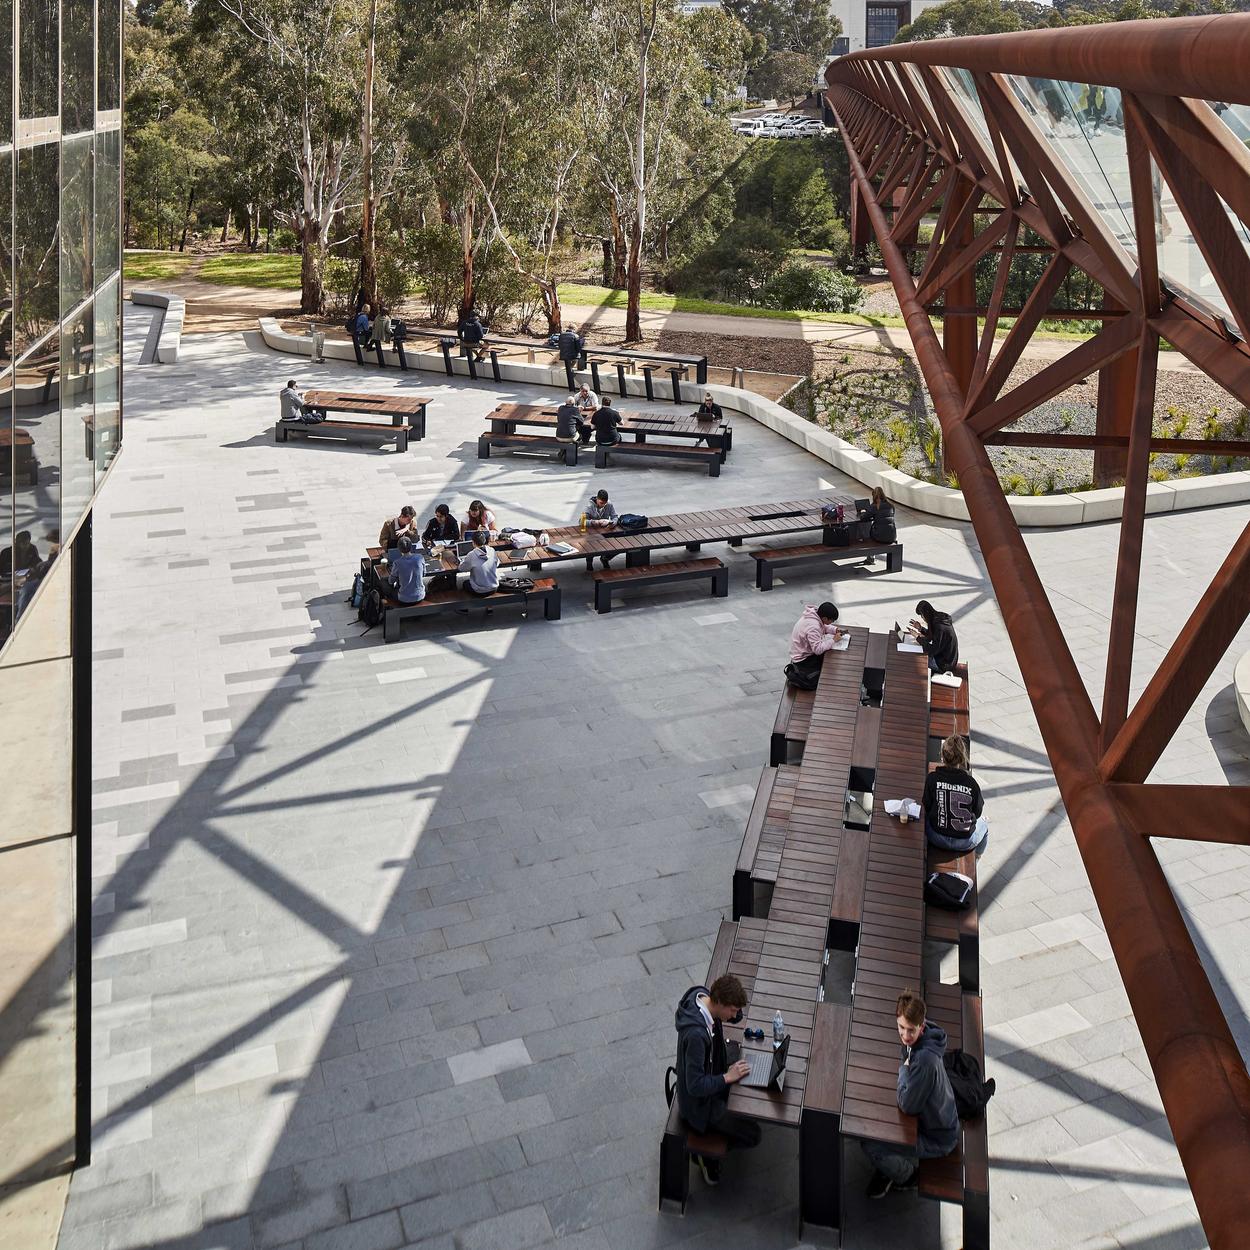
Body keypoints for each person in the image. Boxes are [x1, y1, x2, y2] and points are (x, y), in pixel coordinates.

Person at [862, 989, 959, 1199]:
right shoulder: (926, 1038)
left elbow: (907, 1105)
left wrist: (904, 1071)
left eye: (911, 1030)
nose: (905, 1036)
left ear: (921, 1027)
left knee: (870, 1142)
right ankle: (892, 1166)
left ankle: (907, 1177)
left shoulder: (924, 1061)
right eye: (901, 1028)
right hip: (939, 1123)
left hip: (937, 1138)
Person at [674, 976, 761, 1186]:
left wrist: (735, 1006)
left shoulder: (702, 995)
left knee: (746, 1061)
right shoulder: (696, 1035)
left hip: (715, 1066)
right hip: (699, 1107)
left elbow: (733, 1016)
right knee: (753, 1134)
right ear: (719, 1003)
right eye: (731, 1009)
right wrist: (726, 1078)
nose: (735, 1015)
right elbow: (695, 1087)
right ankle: (706, 1155)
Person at [923, 734, 988, 857]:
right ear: (962, 758)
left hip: (936, 837)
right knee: (984, 824)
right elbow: (978, 812)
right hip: (965, 841)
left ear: (942, 756)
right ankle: (977, 857)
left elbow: (926, 805)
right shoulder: (971, 784)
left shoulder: (932, 778)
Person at [788, 601, 843, 685]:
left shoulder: (814, 615)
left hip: (802, 651)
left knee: (829, 655)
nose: (832, 622)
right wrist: (834, 640)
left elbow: (823, 626)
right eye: (832, 620)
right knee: (830, 668)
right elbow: (817, 650)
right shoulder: (813, 627)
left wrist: (834, 630)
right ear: (825, 618)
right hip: (802, 659)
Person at [908, 600, 959, 673]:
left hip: (944, 664)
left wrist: (917, 638)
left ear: (925, 614)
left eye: (922, 616)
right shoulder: (938, 619)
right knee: (917, 653)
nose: (923, 618)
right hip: (947, 658)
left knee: (914, 659)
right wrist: (920, 628)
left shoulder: (940, 627)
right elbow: (933, 636)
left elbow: (932, 650)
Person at [859, 486, 896, 566]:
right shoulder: (891, 505)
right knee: (880, 527)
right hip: (892, 535)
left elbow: (863, 517)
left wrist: (863, 512)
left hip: (880, 537)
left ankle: (870, 558)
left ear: (874, 496)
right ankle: (870, 558)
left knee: (868, 534)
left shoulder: (874, 506)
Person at [387, 536, 426, 605]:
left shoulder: (397, 562)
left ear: (399, 549)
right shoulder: (420, 557)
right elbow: (423, 574)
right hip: (420, 596)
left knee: (386, 588)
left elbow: (391, 581)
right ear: (411, 546)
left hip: (404, 599)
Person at [460, 531, 499, 599]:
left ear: (473, 542)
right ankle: (489, 606)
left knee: (464, 583)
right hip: (494, 587)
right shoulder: (492, 550)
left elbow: (461, 568)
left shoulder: (471, 554)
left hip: (480, 591)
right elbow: (497, 563)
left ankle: (466, 607)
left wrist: (462, 561)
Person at [586, 489, 619, 568]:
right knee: (592, 545)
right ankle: (589, 562)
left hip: (605, 531)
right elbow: (582, 521)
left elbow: (615, 516)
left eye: (605, 503)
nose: (603, 505)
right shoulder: (589, 506)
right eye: (601, 503)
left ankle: (605, 558)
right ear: (597, 499)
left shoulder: (609, 504)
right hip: (592, 532)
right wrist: (595, 522)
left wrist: (612, 523)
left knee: (619, 545)